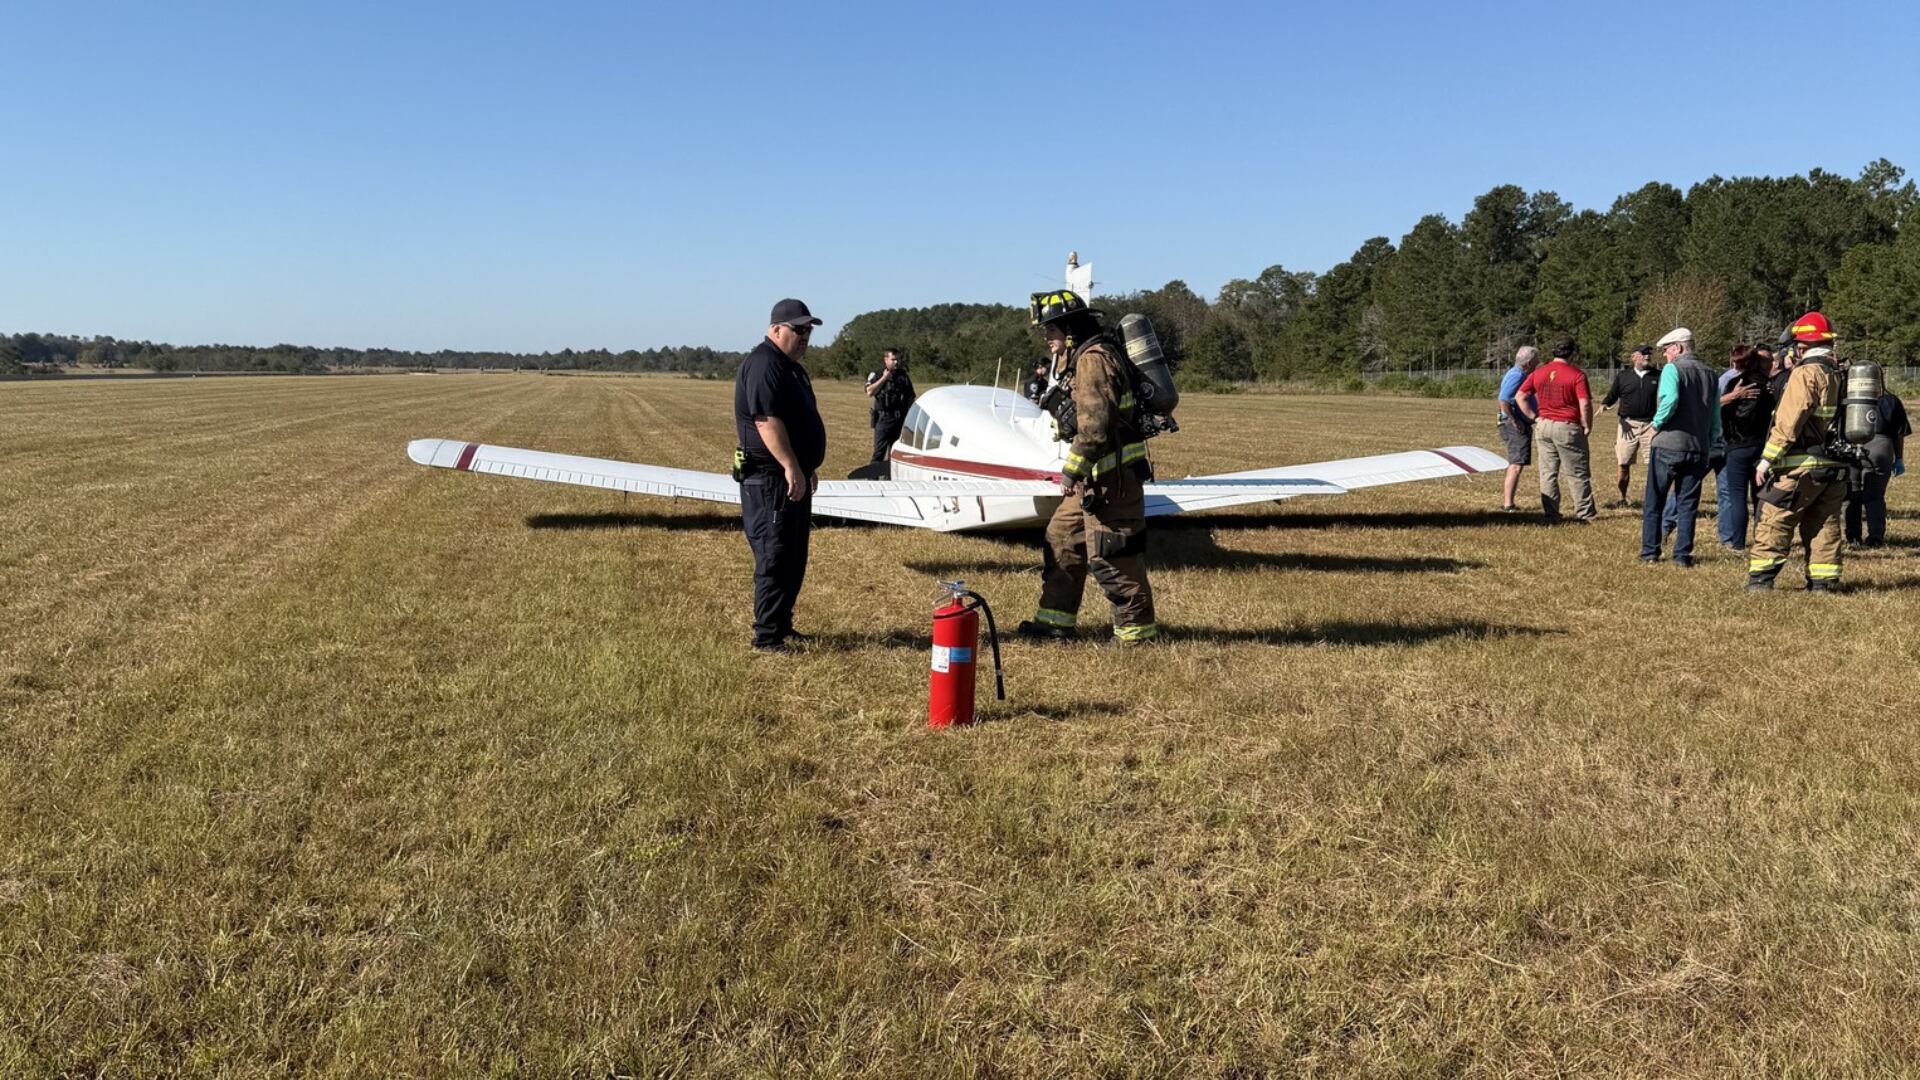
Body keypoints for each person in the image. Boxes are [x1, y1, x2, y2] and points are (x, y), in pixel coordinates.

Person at [1014, 290, 1157, 644]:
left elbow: (1094, 427)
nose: (1047, 336)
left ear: (1072, 329)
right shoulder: (1080, 357)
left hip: (1113, 481)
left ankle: (1136, 636)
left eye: (1052, 329)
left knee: (1114, 556)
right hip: (1096, 480)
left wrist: (1071, 472)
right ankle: (1054, 624)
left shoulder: (1093, 360)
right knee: (1062, 539)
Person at [734, 299, 827, 651]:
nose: (805, 337)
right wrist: (790, 466)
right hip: (771, 480)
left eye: (808, 331)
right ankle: (766, 636)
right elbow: (766, 421)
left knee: (793, 554)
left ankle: (782, 624)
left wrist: (806, 467)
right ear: (776, 330)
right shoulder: (763, 364)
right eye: (798, 330)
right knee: (775, 554)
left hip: (792, 477)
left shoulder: (791, 368)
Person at [1747, 311, 1848, 592]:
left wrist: (1766, 460)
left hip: (1800, 465)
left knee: (1775, 518)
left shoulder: (1805, 373)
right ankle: (1822, 583)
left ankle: (1760, 581)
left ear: (1801, 346)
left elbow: (1789, 421)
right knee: (1824, 525)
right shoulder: (1839, 373)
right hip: (1834, 466)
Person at [1640, 328, 1721, 566]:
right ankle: (1682, 555)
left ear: (1679, 348)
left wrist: (1655, 425)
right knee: (1688, 503)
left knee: (1655, 499)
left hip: (1669, 444)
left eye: (1667, 350)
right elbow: (1715, 414)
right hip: (1698, 447)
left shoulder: (1672, 370)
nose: (1665, 355)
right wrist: (1712, 438)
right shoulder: (1711, 374)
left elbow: (1670, 399)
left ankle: (1650, 552)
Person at [1517, 339, 1596, 522]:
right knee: (1577, 473)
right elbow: (1584, 403)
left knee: (1548, 472)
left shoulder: (1539, 372)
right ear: (1572, 354)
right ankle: (1584, 514)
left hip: (1543, 425)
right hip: (1567, 426)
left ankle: (1551, 513)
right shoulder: (1577, 374)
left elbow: (1520, 396)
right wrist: (1587, 424)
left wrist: (1533, 417)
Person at [1716, 345, 1774, 549]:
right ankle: (1762, 538)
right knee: (1761, 495)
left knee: (1737, 496)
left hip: (1738, 445)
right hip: (1762, 446)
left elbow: (1722, 415)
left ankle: (1738, 542)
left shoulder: (1734, 384)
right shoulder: (1768, 386)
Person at [1844, 380, 1910, 547]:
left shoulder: (1849, 398)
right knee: (1874, 497)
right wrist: (1899, 458)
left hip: (1851, 445)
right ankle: (1875, 536)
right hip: (1881, 446)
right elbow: (1899, 432)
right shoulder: (1891, 400)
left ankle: (1853, 536)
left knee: (1852, 494)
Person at [1599, 344, 1660, 506]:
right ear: (1633, 357)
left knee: (1655, 464)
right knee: (1623, 463)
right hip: (1627, 425)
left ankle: (1654, 500)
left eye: (1649, 353)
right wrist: (1605, 404)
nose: (1647, 356)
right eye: (1643, 353)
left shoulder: (1658, 376)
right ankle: (1622, 498)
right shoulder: (1623, 376)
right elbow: (1612, 395)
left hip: (1651, 426)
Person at [1496, 346, 1540, 512]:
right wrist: (1515, 421)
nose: (1537, 365)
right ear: (1528, 363)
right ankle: (1508, 504)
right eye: (1535, 362)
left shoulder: (1517, 373)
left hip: (1515, 422)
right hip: (1513, 424)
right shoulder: (1517, 375)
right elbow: (1504, 400)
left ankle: (1509, 502)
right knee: (1516, 464)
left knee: (1517, 462)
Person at [864, 347, 916, 465]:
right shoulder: (876, 374)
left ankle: (890, 481)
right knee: (878, 453)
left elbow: (911, 397)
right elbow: (869, 392)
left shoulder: (903, 375)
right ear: (885, 360)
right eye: (893, 359)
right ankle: (874, 481)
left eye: (897, 360)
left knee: (894, 455)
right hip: (883, 419)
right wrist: (884, 378)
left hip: (899, 420)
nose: (896, 362)